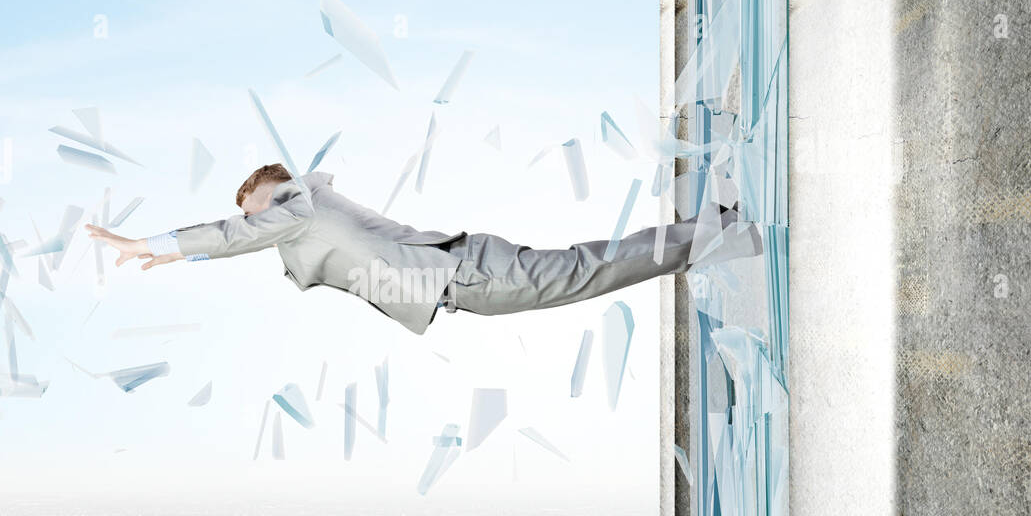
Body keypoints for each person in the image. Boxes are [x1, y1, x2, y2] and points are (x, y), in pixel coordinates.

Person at [85, 163, 760, 335]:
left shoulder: (296, 207)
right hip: (466, 271)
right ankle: (711, 228)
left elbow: (235, 234)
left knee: (591, 269)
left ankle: (717, 233)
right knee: (589, 264)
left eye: (252, 203)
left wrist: (157, 245)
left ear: (274, 189)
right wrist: (181, 252)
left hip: (466, 275)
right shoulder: (308, 207)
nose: (253, 221)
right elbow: (241, 235)